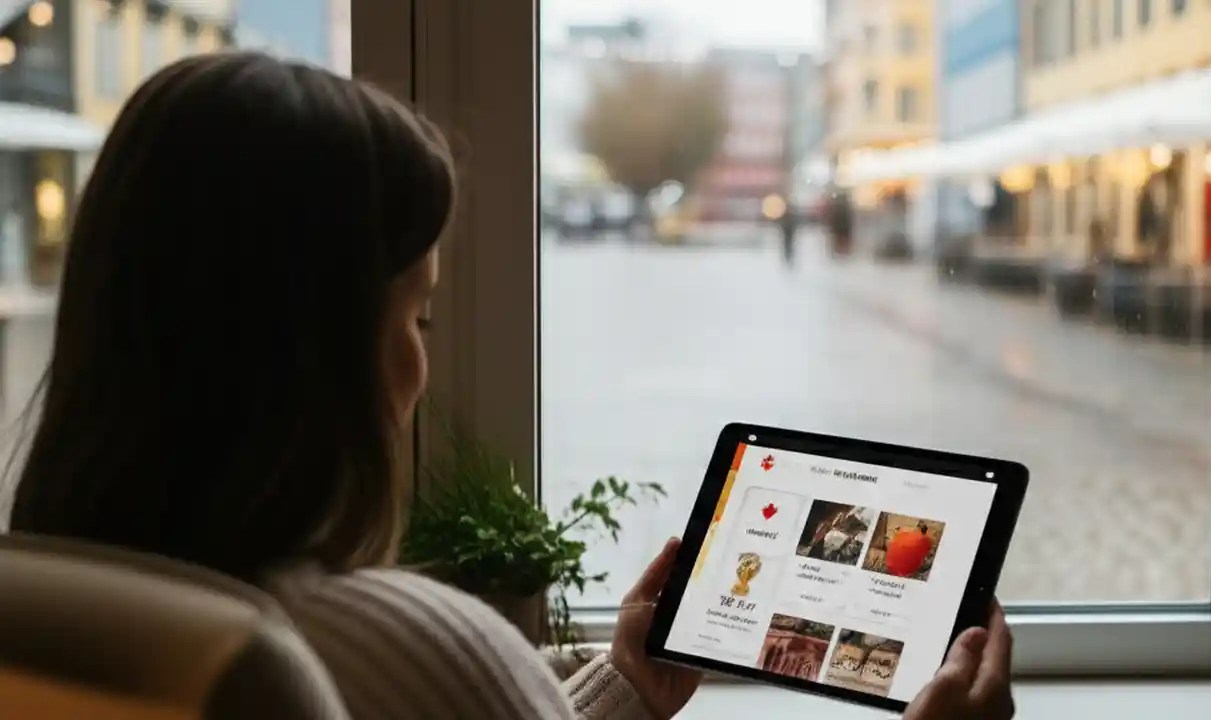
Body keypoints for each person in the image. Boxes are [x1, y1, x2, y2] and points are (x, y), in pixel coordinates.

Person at [5, 53, 1013, 719]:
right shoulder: (392, 644)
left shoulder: (57, 616)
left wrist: (623, 686)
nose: (421, 363)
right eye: (418, 318)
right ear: (322, 352)